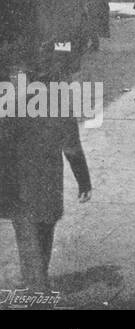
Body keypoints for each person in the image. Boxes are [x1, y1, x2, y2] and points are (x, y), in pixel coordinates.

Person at [0, 106, 91, 292]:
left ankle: (35, 283)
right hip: (48, 183)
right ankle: (37, 280)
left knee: (27, 232)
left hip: (18, 183)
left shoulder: (12, 104)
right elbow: (72, 148)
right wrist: (84, 182)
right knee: (44, 228)